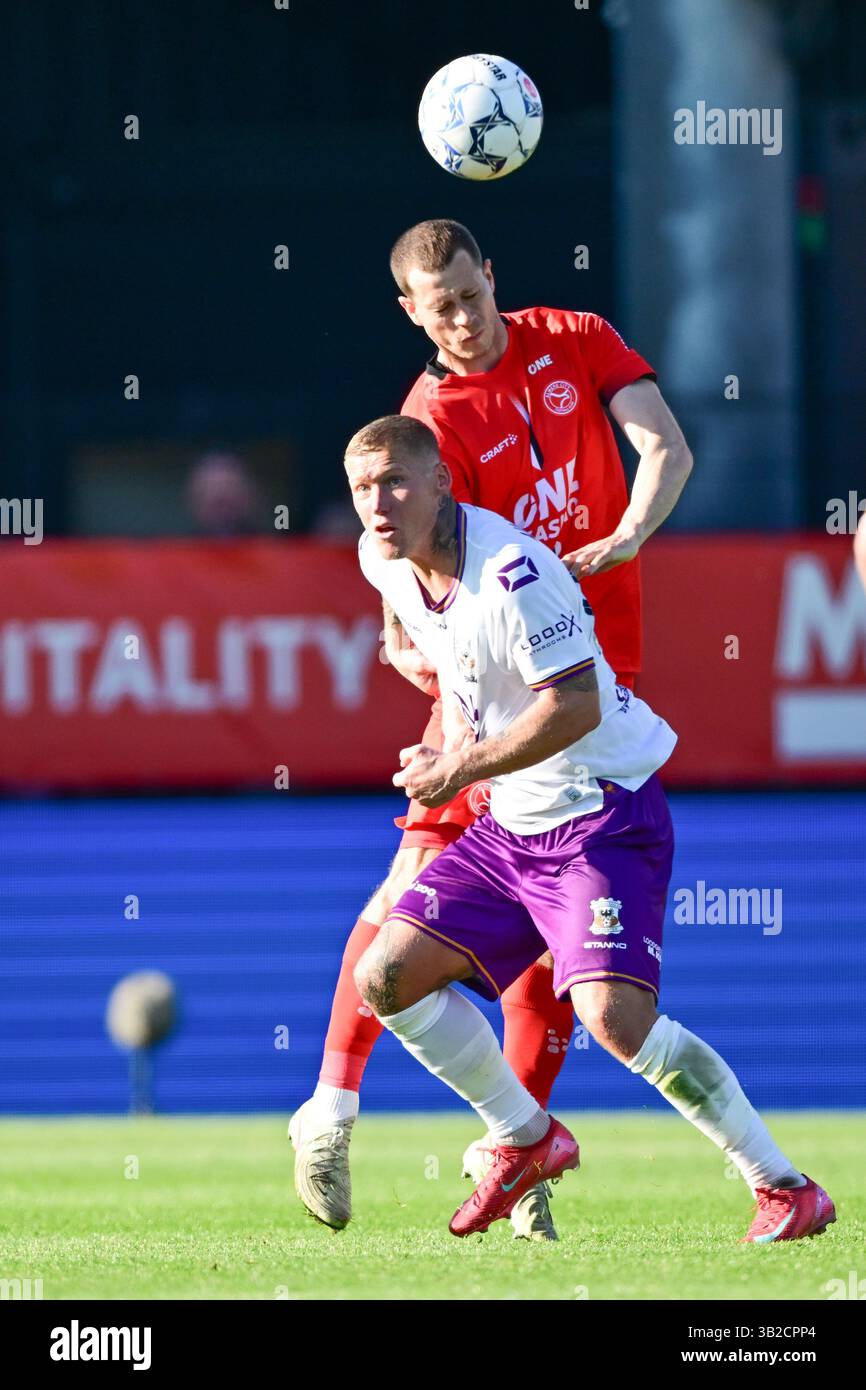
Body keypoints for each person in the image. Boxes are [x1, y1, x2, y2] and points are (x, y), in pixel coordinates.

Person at [290, 219, 693, 1238]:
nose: (461, 323)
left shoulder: (575, 334)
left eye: (471, 298)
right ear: (411, 317)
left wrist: (630, 533)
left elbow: (663, 443)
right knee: (404, 894)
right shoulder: (430, 415)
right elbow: (413, 560)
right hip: (494, 692)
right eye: (439, 311)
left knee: (555, 949)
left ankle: (518, 1158)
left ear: (492, 280)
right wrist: (406, 645)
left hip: (595, 675)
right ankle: (329, 1108)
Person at [345, 414, 835, 1243]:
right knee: (385, 977)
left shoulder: (515, 573)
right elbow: (416, 638)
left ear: (441, 483)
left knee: (615, 1022)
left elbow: (578, 703)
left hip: (600, 812)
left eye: (396, 481)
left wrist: (459, 766)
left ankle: (784, 1187)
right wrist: (451, 721)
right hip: (511, 823)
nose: (379, 504)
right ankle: (527, 1138)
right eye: (362, 488)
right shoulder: (380, 561)